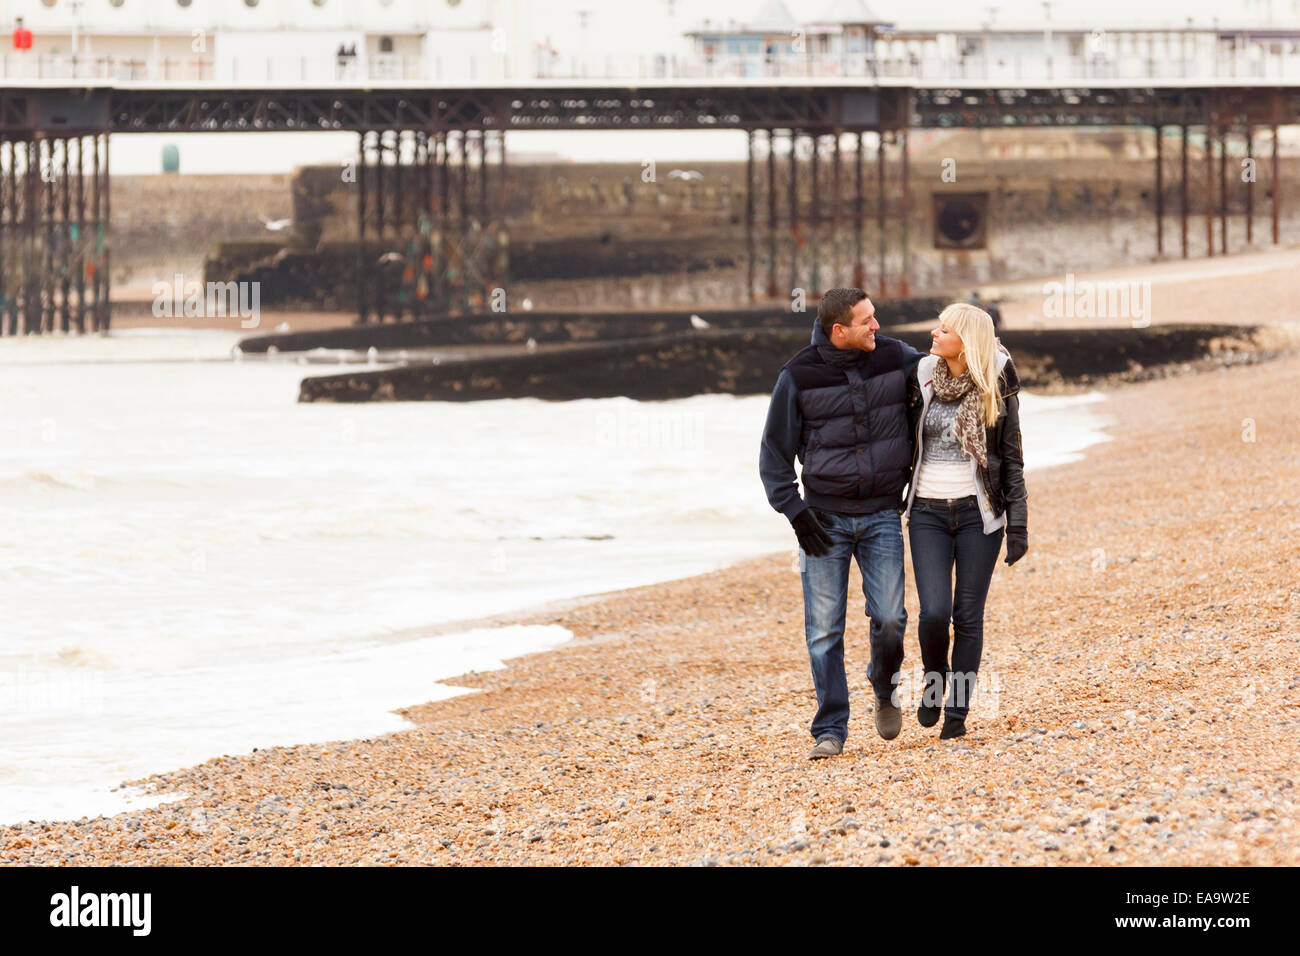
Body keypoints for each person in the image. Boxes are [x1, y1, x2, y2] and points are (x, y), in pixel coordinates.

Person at [760, 288, 926, 759]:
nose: (878, 326)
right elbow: (773, 455)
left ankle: (884, 684)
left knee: (892, 618)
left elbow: (944, 372)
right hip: (823, 520)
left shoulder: (895, 357)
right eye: (867, 320)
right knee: (824, 631)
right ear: (839, 331)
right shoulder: (797, 375)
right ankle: (830, 729)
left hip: (881, 515)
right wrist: (795, 513)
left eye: (875, 318)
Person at [902, 303, 1027, 741]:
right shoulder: (923, 376)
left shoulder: (997, 380)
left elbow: (1011, 458)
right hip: (926, 513)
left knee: (967, 617)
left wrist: (1018, 527)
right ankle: (934, 681)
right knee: (934, 613)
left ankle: (957, 714)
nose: (934, 333)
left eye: (945, 329)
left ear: (966, 339)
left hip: (979, 515)